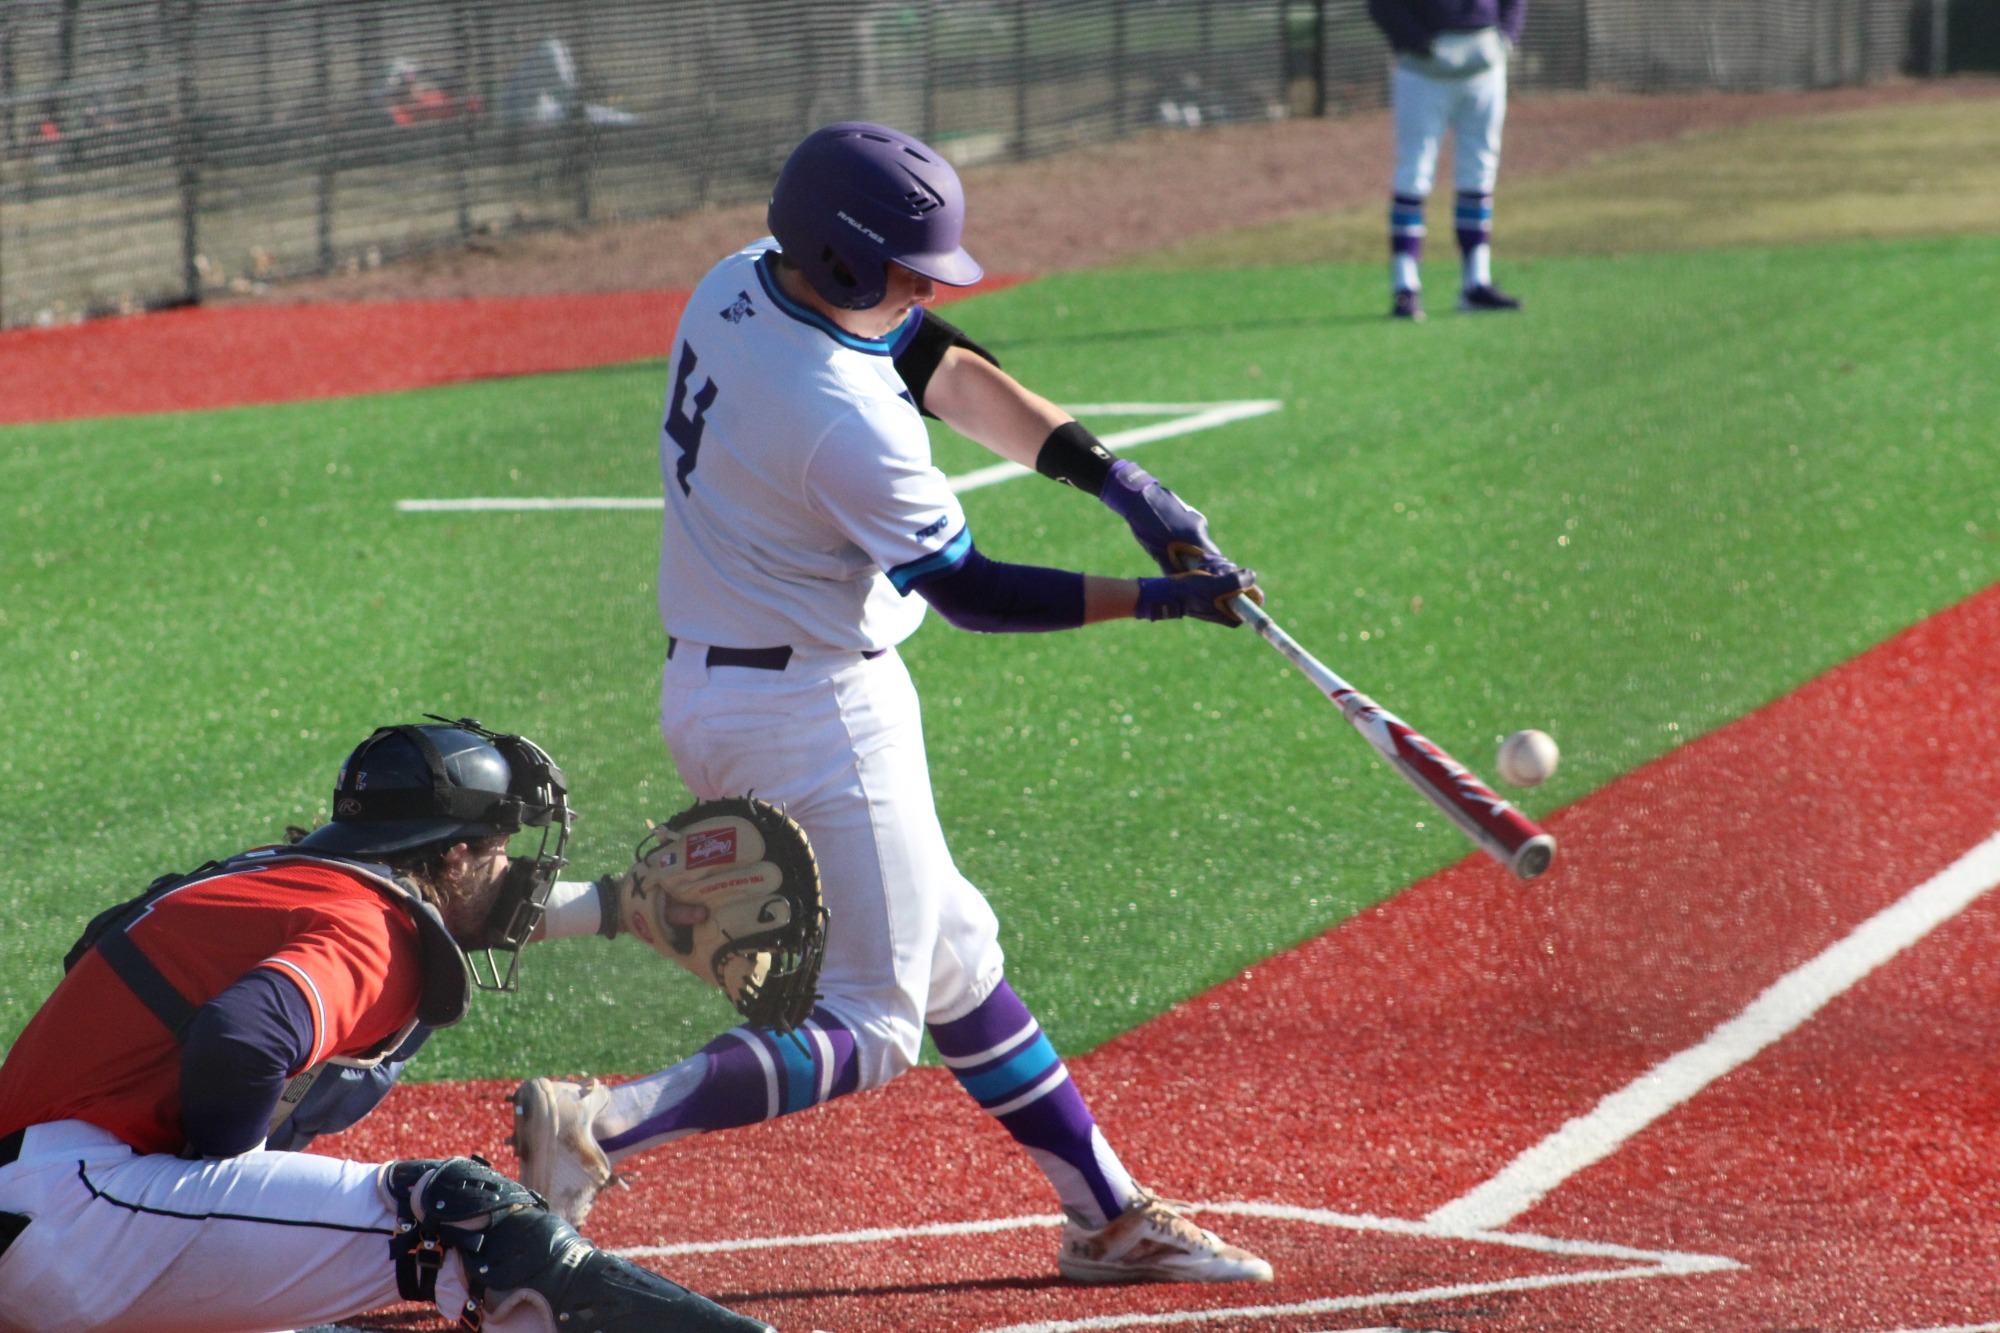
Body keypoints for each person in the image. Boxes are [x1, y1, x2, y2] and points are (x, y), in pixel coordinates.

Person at [509, 120, 1274, 1286]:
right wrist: (1162, 600)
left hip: (721, 682)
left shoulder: (739, 280)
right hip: (817, 712)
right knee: (872, 1027)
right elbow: (970, 593)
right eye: (912, 264)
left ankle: (1106, 1214)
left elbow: (936, 359)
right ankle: (598, 1124)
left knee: (956, 954)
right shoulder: (839, 421)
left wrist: (1119, 481)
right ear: (855, 259)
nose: (926, 285)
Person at [0, 720, 769, 1333]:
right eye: (501, 851)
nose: (511, 874)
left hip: (55, 1210)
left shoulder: (269, 880)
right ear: (459, 855)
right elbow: (244, 1037)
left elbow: (102, 958)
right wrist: (227, 1179)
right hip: (81, 1220)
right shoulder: (377, 927)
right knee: (471, 1221)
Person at [1368, 0, 1528, 319]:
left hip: (1484, 67)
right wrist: (1418, 42)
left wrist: (1505, 37)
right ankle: (1405, 287)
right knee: (1413, 175)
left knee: (1479, 173)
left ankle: (1476, 282)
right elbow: (1383, 5)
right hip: (1423, 73)